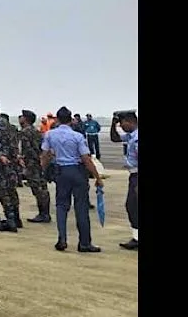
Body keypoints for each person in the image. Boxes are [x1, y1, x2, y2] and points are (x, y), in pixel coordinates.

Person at [40, 106, 103, 252]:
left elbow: (45, 155)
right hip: (77, 171)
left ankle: (62, 239)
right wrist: (97, 177)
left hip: (61, 172)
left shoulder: (49, 135)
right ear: (71, 120)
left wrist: (43, 170)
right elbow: (86, 159)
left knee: (61, 206)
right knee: (81, 207)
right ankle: (84, 243)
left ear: (57, 119)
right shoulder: (77, 136)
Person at [109, 111, 138, 250]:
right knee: (133, 207)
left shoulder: (137, 137)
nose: (121, 126)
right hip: (134, 176)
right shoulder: (131, 136)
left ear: (130, 121)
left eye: (122, 123)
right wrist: (112, 125)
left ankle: (137, 239)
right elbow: (115, 139)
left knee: (132, 206)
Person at [17, 110, 52, 223]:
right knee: (42, 187)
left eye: (22, 117)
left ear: (26, 119)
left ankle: (43, 214)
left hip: (32, 163)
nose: (20, 118)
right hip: (39, 162)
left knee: (37, 189)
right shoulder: (36, 131)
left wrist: (25, 161)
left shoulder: (25, 132)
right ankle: (45, 213)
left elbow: (28, 149)